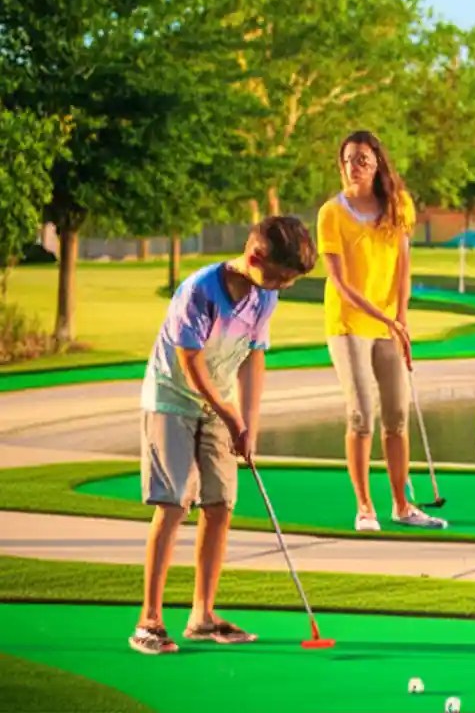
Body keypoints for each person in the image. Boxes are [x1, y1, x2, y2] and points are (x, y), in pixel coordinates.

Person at [130, 215, 317, 655]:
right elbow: (190, 363)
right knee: (174, 502)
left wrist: (248, 421)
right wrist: (229, 414)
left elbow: (254, 357)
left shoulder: (264, 296)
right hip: (171, 399)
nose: (282, 286)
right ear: (256, 257)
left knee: (219, 504)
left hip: (220, 403)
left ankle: (203, 616)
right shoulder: (199, 291)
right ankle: (149, 620)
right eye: (280, 276)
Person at [317, 130, 445, 531]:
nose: (353, 167)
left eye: (362, 160)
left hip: (388, 324)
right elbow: (340, 283)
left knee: (396, 416)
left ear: (377, 164)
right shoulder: (331, 213)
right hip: (348, 323)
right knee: (361, 416)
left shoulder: (399, 205)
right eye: (348, 160)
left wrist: (400, 321)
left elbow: (403, 268)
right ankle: (365, 507)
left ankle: (402, 506)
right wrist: (387, 319)